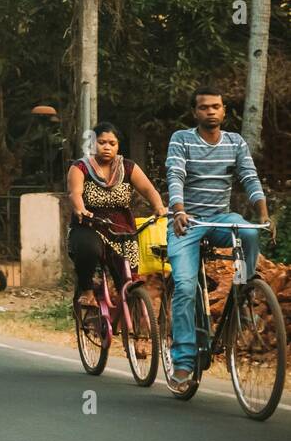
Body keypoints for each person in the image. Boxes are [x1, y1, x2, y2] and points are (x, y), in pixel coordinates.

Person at [165, 87, 272, 383]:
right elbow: (175, 175)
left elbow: (249, 177)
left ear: (224, 111)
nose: (210, 111)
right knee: (186, 287)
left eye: (216, 107)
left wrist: (263, 213)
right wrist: (178, 210)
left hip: (220, 220)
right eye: (204, 107)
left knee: (248, 231)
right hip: (185, 223)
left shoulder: (235, 142)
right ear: (194, 112)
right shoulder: (182, 139)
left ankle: (243, 287)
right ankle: (184, 359)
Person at [66, 122, 167, 308]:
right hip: (90, 224)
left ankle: (130, 317)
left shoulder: (128, 167)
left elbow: (148, 189)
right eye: (102, 142)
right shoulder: (80, 167)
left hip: (122, 227)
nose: (107, 147)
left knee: (128, 278)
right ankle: (87, 292)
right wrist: (80, 209)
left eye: (112, 143)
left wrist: (159, 206)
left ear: (118, 145)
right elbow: (75, 193)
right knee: (88, 250)